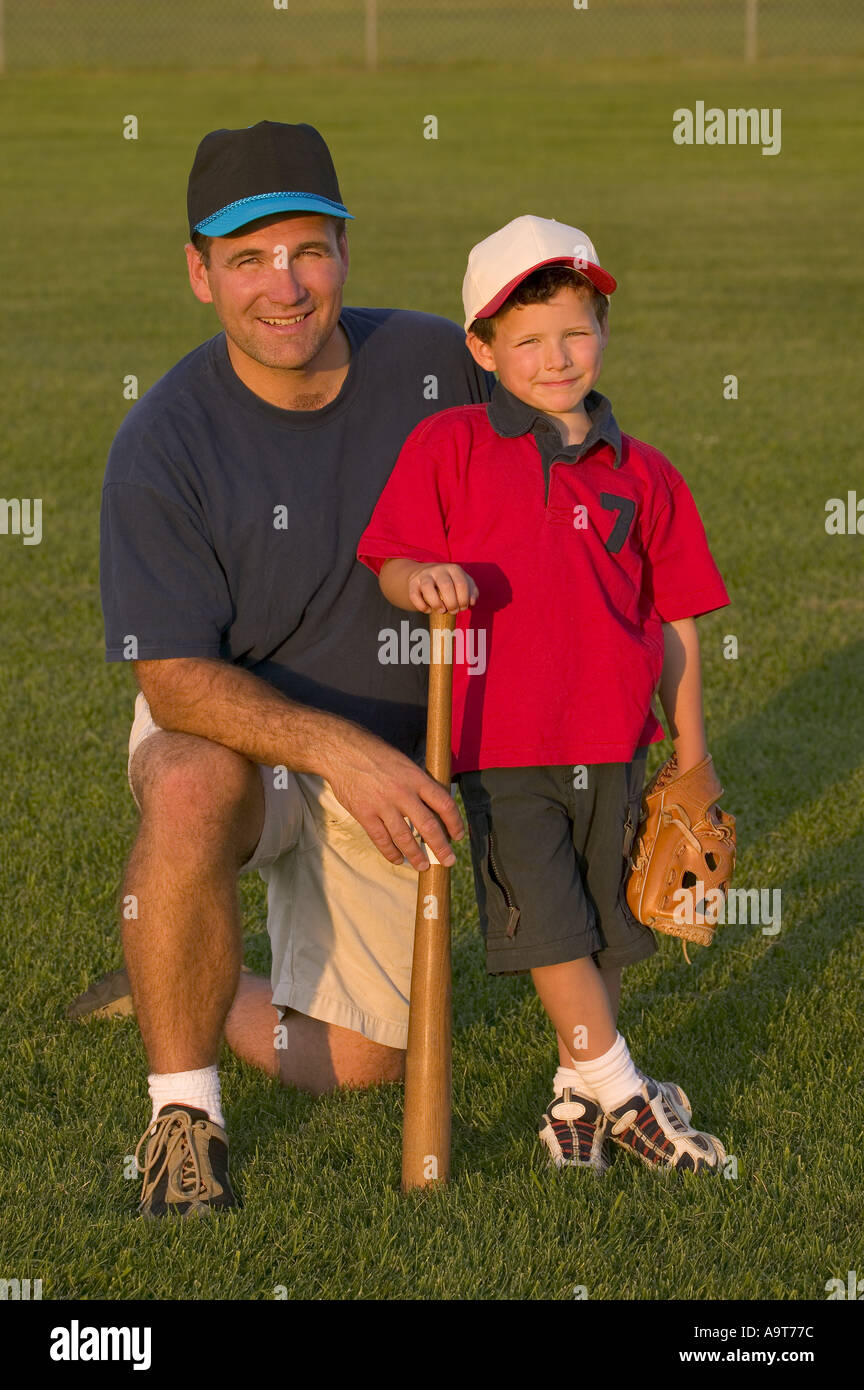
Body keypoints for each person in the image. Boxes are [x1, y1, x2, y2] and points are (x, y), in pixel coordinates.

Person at [97, 121, 493, 1216]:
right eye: (247, 257)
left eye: (307, 250)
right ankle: (183, 1115)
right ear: (198, 272)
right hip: (240, 739)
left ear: (345, 252)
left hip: (388, 763)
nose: (285, 286)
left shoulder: (435, 366)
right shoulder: (163, 444)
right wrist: (344, 755)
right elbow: (174, 686)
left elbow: (564, 500)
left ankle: (174, 980)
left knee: (368, 1061)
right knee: (188, 781)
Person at [357, 215, 730, 1173]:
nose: (554, 357)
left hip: (616, 739)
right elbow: (391, 557)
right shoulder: (450, 443)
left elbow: (679, 623)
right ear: (481, 348)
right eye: (525, 340)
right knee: (552, 926)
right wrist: (421, 580)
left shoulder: (644, 473)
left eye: (573, 331)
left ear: (602, 329)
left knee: (604, 924)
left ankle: (572, 1106)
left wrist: (692, 760)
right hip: (502, 741)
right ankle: (628, 1096)